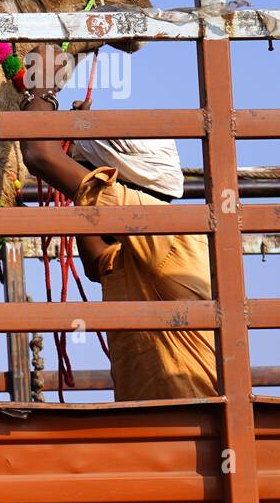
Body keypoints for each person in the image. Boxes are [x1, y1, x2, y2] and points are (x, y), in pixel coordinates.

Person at [15, 43, 218, 401]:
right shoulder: (144, 252)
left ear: (118, 183)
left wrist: (43, 86)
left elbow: (39, 154)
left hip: (182, 424)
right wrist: (82, 158)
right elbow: (97, 264)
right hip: (161, 423)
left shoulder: (162, 227)